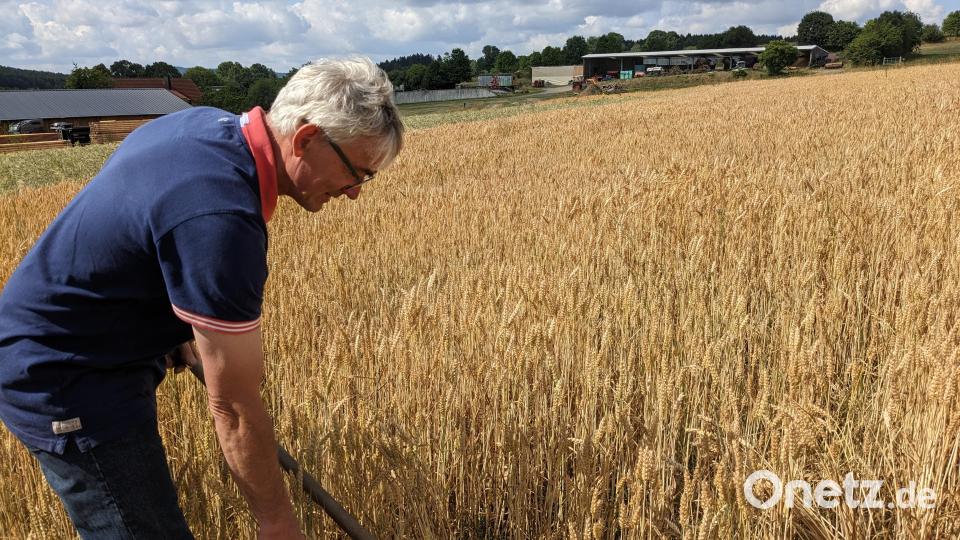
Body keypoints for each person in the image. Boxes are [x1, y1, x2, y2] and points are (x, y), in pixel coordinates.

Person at [0, 57, 404, 539]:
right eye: (358, 173)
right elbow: (233, 405)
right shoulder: (221, 216)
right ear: (306, 139)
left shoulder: (204, 124)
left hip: (76, 340)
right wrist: (276, 522)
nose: (356, 193)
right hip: (65, 372)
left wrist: (164, 319)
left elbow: (137, 219)